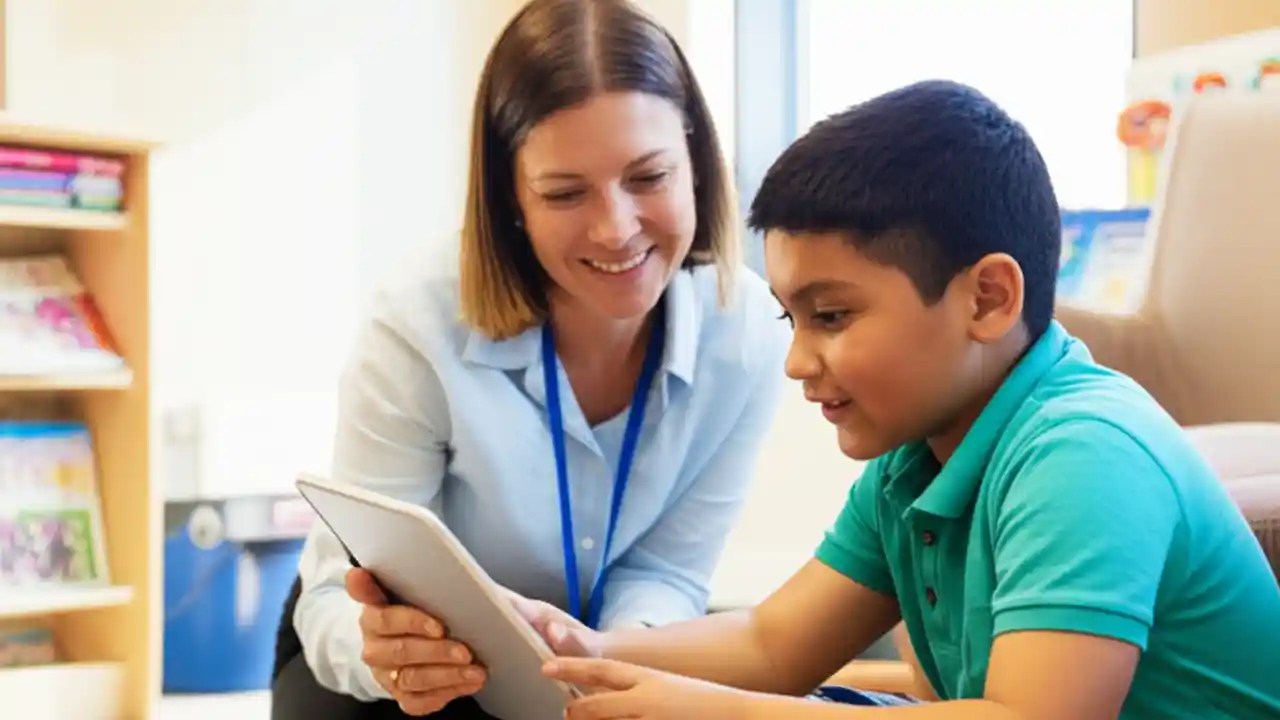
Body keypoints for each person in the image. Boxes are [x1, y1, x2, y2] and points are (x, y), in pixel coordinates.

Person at [516, 80, 1280, 719]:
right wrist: (587, 648)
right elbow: (772, 644)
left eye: (833, 316)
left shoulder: (1083, 451)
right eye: (792, 317)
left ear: (987, 298)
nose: (795, 360)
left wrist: (721, 710)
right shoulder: (912, 464)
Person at [272, 1, 790, 718]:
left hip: (593, 657)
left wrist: (608, 654)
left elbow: (667, 570)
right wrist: (387, 655)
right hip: (410, 665)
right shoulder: (419, 320)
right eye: (565, 193)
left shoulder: (751, 335)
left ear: (697, 163)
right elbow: (334, 597)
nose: (616, 229)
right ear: (511, 199)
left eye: (648, 178)